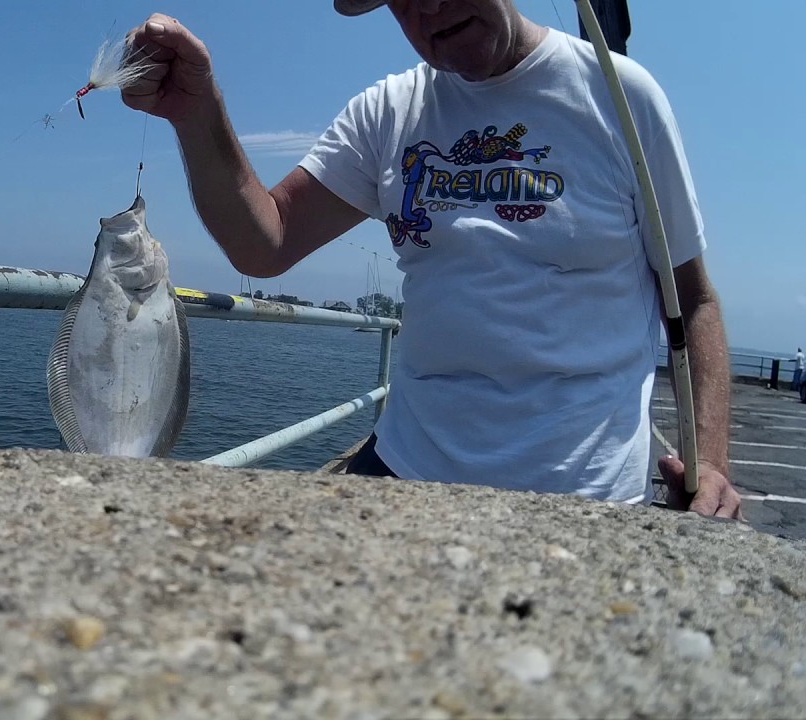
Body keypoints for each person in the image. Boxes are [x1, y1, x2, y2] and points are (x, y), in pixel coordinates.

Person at [121, 0, 740, 518]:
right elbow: (266, 242)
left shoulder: (622, 97)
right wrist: (195, 111)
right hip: (407, 473)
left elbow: (695, 299)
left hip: (587, 495)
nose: (428, 9)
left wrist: (709, 459)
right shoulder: (389, 113)